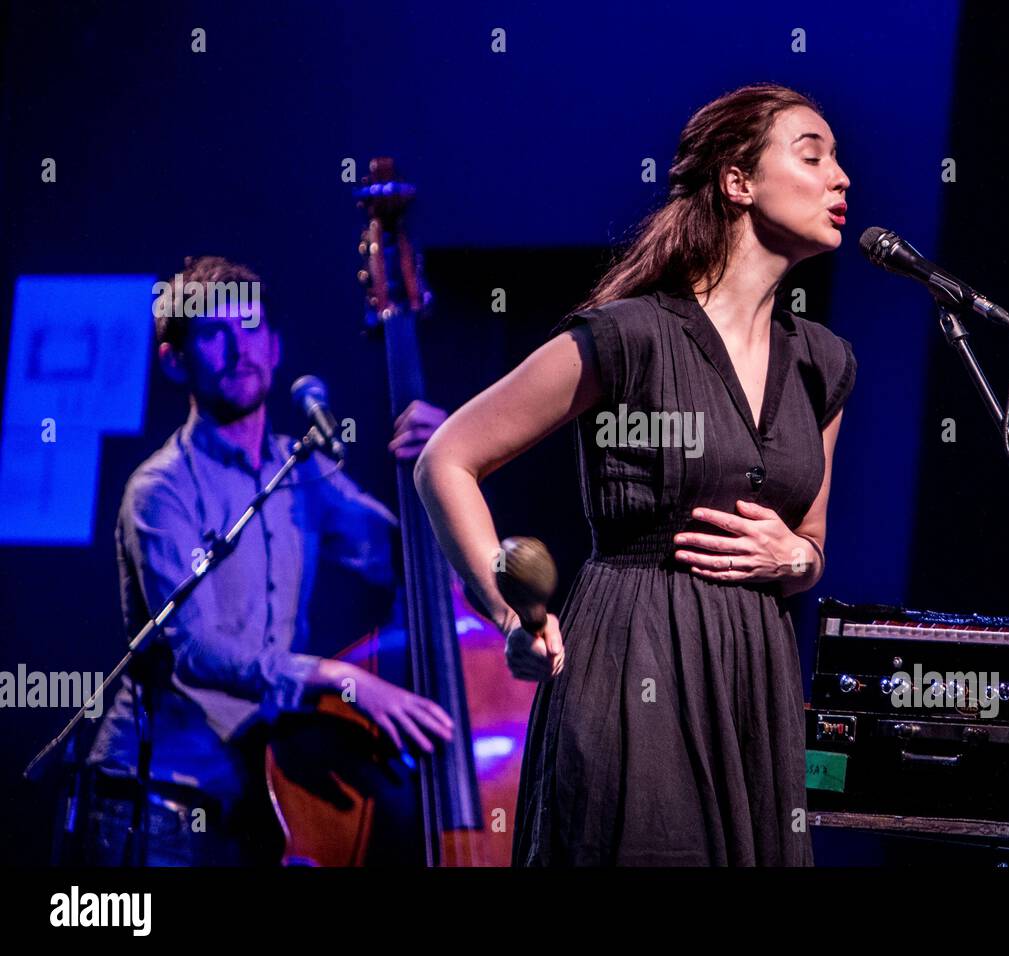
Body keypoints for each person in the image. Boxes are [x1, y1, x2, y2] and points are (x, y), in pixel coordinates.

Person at [415, 83, 856, 866]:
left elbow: (810, 541)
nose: (841, 177)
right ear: (737, 182)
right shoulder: (631, 336)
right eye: (813, 155)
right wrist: (510, 616)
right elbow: (446, 458)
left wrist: (797, 559)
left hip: (754, 675)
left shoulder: (824, 363)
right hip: (635, 659)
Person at [84, 255, 454, 865]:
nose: (239, 348)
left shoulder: (302, 468)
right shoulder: (160, 490)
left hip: (255, 792)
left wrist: (440, 467)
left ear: (276, 346)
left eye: (251, 327)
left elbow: (405, 560)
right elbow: (195, 649)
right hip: (154, 797)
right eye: (212, 333)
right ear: (175, 360)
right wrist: (341, 677)